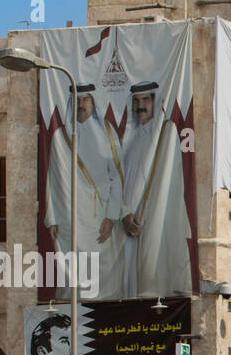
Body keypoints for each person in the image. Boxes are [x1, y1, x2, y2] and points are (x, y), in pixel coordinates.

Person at [44, 84, 124, 299]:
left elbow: (117, 176)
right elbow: (53, 179)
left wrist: (112, 216)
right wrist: (52, 218)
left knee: (103, 268)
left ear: (93, 102)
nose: (81, 104)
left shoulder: (107, 132)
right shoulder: (60, 136)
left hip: (99, 214)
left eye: (86, 99)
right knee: (73, 268)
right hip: (70, 216)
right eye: (78, 99)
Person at [119, 80, 191, 299]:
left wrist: (141, 215)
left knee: (154, 276)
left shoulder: (166, 133)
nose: (141, 106)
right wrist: (125, 213)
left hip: (154, 219)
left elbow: (161, 183)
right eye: (136, 101)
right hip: (128, 224)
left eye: (145, 100)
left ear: (155, 101)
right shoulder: (130, 142)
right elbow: (123, 183)